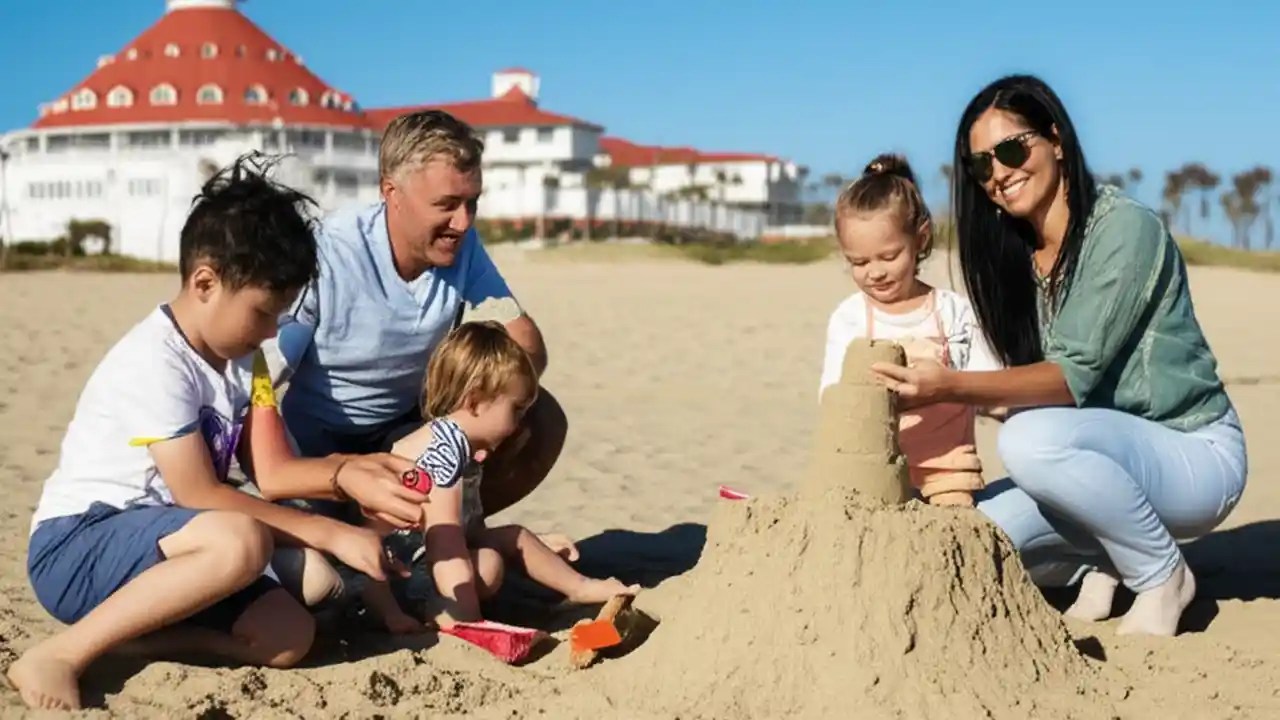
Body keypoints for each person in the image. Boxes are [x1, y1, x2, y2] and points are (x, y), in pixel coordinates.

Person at [7, 155, 413, 711]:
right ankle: (64, 653)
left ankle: (135, 638)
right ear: (205, 282)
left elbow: (270, 473)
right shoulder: (156, 359)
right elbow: (197, 494)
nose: (274, 330)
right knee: (241, 541)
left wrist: (350, 476)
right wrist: (329, 534)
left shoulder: (252, 363)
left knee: (292, 631)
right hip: (80, 544)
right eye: (265, 312)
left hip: (176, 553)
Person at [870, 74, 1247, 637]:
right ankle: (1106, 558)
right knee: (973, 534)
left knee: (1029, 443)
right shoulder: (1016, 252)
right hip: (1097, 455)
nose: (998, 173)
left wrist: (948, 385)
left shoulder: (1122, 229)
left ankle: (1161, 573)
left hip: (1191, 454)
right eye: (980, 166)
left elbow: (1070, 379)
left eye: (1011, 149)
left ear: (1056, 141)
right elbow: (1023, 390)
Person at [262, 109, 567, 525]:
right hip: (321, 441)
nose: (462, 222)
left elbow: (526, 342)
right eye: (446, 205)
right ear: (392, 192)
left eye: (472, 203)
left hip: (406, 430)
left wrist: (463, 420)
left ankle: (440, 533)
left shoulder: (462, 245)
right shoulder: (330, 253)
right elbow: (262, 372)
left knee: (538, 417)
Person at [361, 321, 637, 629]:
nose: (520, 423)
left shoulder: (460, 446)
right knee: (489, 565)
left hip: (424, 563)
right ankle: (442, 616)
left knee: (512, 537)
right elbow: (446, 547)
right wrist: (470, 622)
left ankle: (579, 586)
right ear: (475, 401)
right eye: (516, 409)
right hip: (399, 576)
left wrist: (537, 551)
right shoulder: (441, 455)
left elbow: (471, 529)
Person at [821, 153, 1003, 507]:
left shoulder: (953, 311)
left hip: (947, 469)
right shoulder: (850, 317)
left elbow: (987, 385)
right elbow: (830, 396)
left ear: (919, 240)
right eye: (858, 262)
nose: (874, 272)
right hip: (872, 466)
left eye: (888, 257)